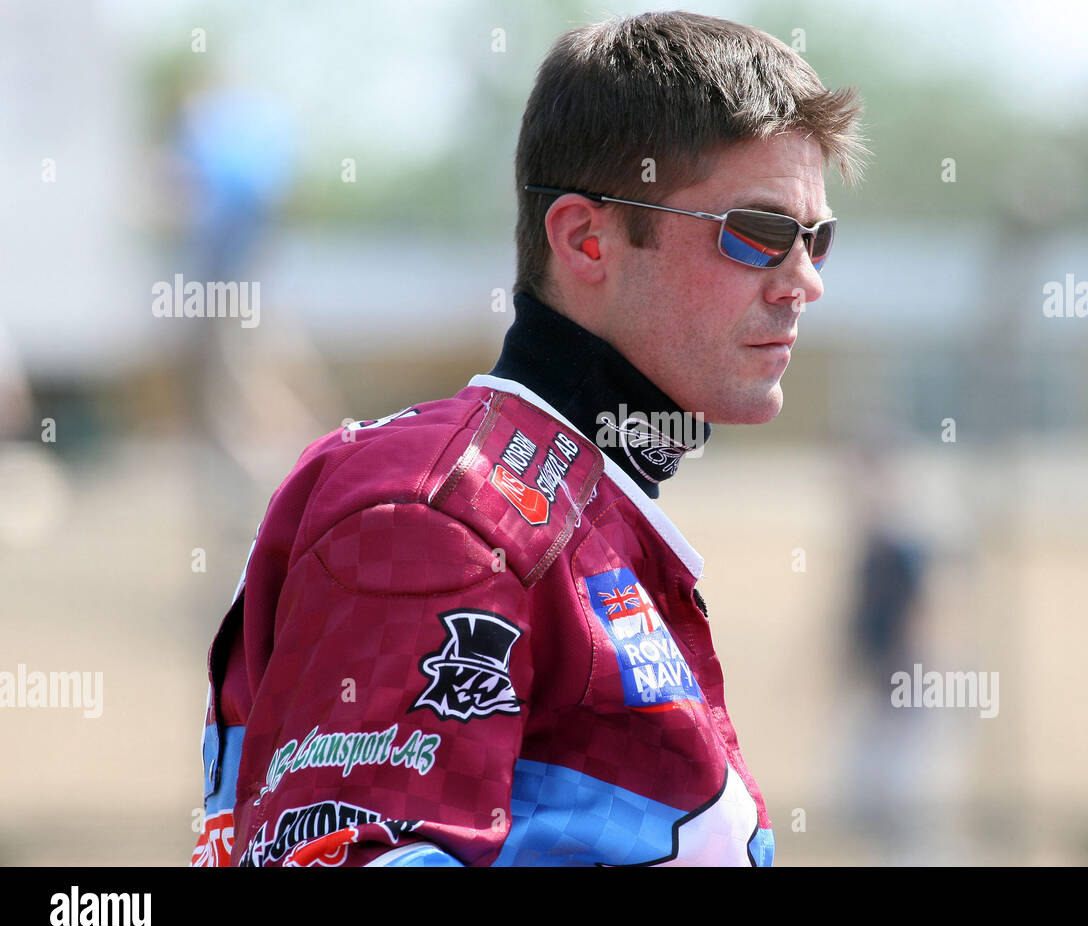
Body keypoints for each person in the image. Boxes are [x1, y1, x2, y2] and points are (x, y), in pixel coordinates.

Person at [192, 10, 865, 868]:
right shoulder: (442, 513)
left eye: (818, 240)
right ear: (587, 239)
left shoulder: (581, 502)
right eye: (760, 233)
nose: (803, 279)